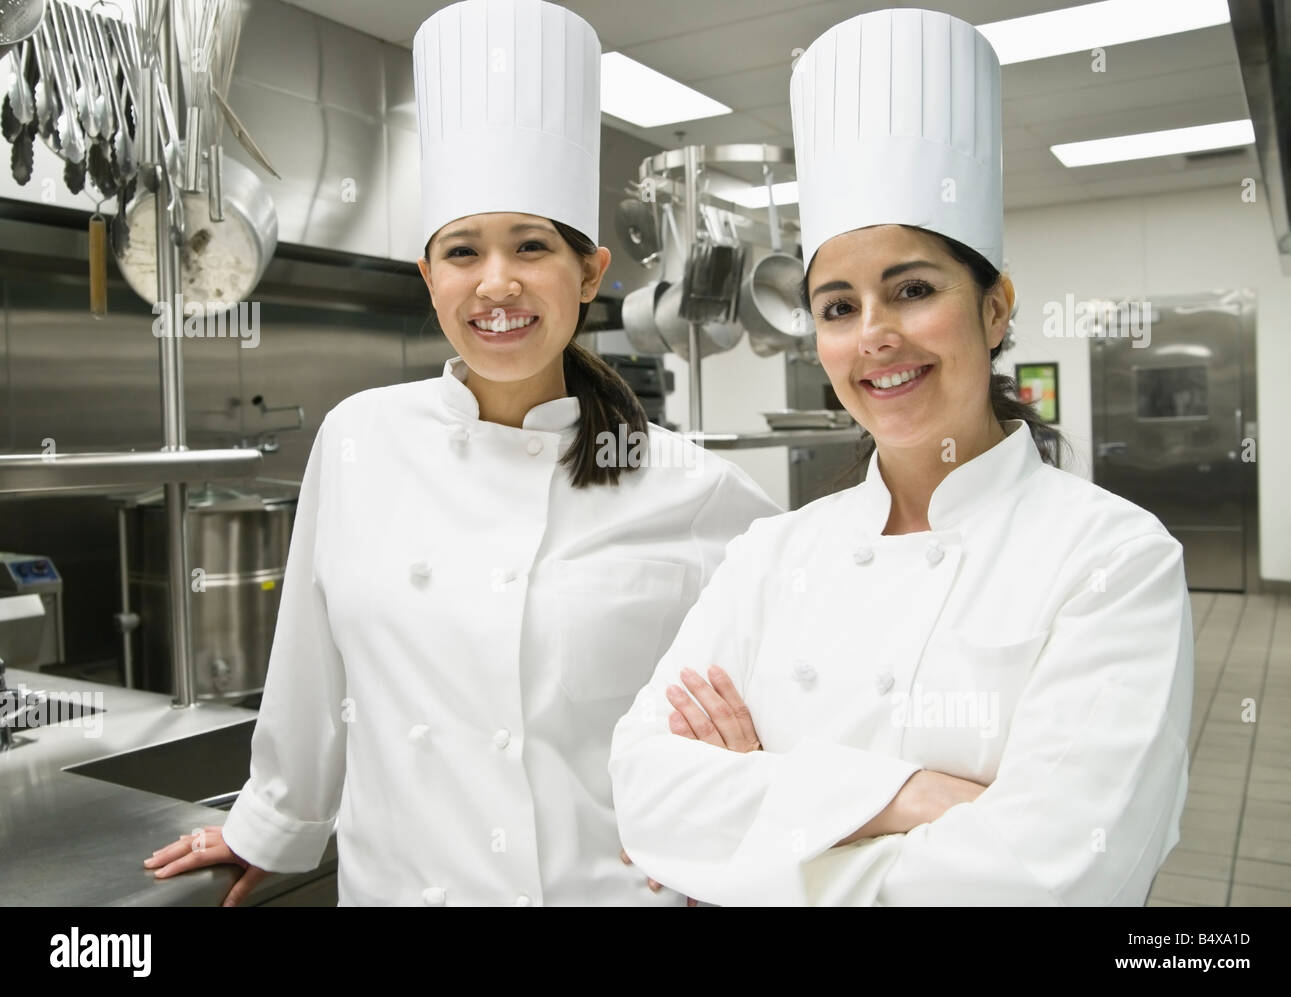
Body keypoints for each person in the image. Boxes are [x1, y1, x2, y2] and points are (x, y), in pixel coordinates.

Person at [143, 0, 779, 906]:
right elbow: (311, 668)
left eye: (531, 246)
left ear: (591, 273)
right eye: (462, 251)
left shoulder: (699, 488)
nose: (497, 283)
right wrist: (272, 826)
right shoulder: (360, 438)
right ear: (429, 276)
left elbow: (801, 687)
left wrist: (747, 789)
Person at [608, 6, 1194, 906]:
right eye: (838, 307)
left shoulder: (1113, 559)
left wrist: (760, 831)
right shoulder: (774, 551)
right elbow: (646, 789)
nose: (874, 335)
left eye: (912, 290)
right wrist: (911, 796)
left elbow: (1058, 878)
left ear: (995, 308)